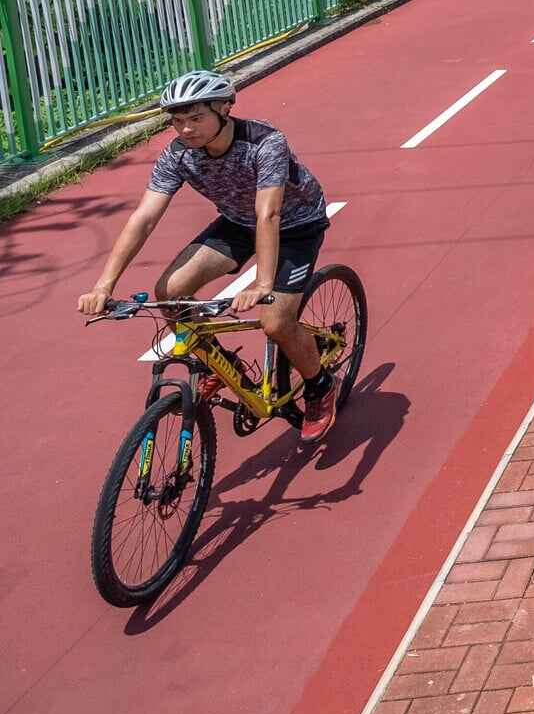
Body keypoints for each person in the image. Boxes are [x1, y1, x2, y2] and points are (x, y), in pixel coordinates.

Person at [79, 70, 341, 439]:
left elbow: (270, 213)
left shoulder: (265, 143)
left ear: (225, 108)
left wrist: (263, 285)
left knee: (276, 322)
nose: (186, 130)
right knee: (170, 292)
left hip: (295, 225)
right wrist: (104, 286)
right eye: (177, 121)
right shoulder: (178, 155)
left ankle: (320, 384)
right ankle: (220, 366)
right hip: (238, 222)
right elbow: (145, 217)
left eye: (196, 118)